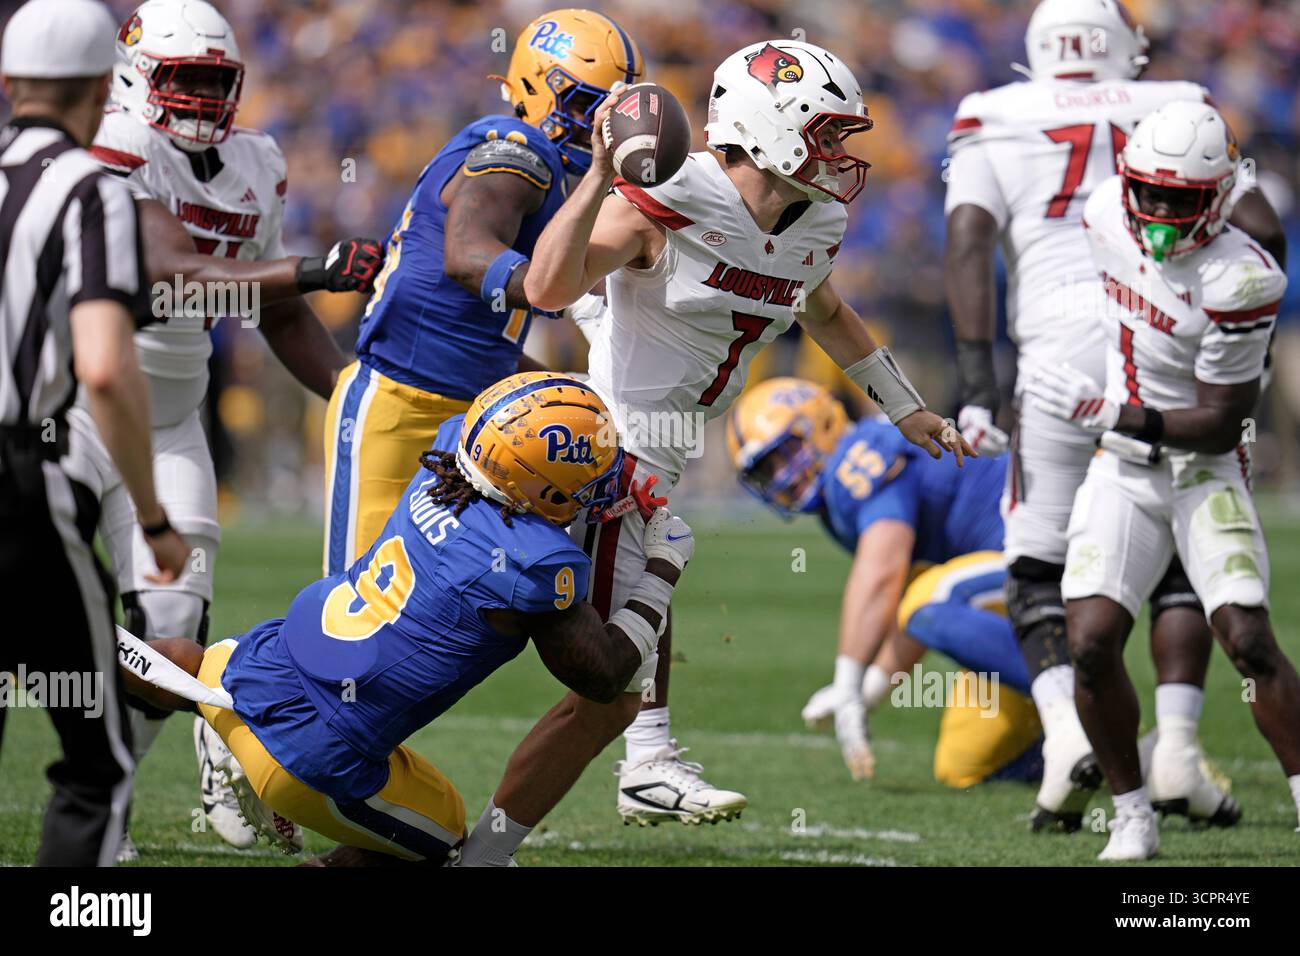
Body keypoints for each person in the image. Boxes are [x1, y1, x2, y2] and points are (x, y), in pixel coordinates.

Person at [456, 38, 970, 856]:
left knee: (612, 640)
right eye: (828, 133)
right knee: (598, 670)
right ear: (768, 129)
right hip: (610, 448)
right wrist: (599, 178)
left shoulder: (818, 219)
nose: (843, 154)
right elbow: (552, 291)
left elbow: (825, 311)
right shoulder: (674, 190)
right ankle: (574, 801)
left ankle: (624, 773)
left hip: (660, 448)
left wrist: (903, 408)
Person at [943, 0, 1281, 829]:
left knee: (1036, 566)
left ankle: (1067, 738)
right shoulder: (1178, 100)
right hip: (1167, 338)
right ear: (1123, 47)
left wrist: (978, 383)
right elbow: (1265, 223)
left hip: (1058, 357)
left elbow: (965, 240)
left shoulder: (993, 112)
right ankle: (1176, 749)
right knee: (1173, 554)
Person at [133, 372, 696, 865]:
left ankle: (88, 663)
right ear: (536, 486)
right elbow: (604, 675)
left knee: (187, 661)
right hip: (313, 761)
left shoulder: (452, 451)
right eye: (584, 478)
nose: (596, 487)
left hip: (260, 664)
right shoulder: (532, 565)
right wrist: (661, 570)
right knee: (445, 849)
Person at [68, 0, 384, 856]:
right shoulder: (114, 146)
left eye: (217, 80)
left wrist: (356, 395)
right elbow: (167, 275)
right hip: (68, 407)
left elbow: (274, 313)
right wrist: (315, 268)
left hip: (170, 417)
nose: (205, 98)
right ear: (137, 78)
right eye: (186, 80)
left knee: (173, 632)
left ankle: (108, 810)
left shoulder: (256, 163)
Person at [1025, 100, 1300, 860]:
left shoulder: (1243, 278)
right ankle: (1133, 813)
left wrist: (1105, 409)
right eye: (1147, 191)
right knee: (1089, 643)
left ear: (1218, 198)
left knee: (1248, 639)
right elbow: (1156, 185)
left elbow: (1216, 421)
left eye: (1180, 199)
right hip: (1122, 471)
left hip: (1202, 467)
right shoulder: (1106, 209)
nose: (1156, 212)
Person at [323, 8, 642, 578]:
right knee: (356, 605)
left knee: (452, 609)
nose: (596, 125)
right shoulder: (519, 144)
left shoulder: (560, 180)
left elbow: (483, 334)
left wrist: (571, 392)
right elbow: (466, 255)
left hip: (474, 415)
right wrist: (548, 288)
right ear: (531, 86)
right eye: (582, 105)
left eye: (607, 112)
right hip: (402, 399)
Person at [0, 0, 187, 866]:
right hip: (19, 477)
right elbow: (106, 367)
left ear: (8, 85)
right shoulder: (88, 189)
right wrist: (152, 519)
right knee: (95, 757)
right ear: (99, 91)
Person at [729, 379, 1040, 788]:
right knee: (965, 764)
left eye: (785, 454)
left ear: (819, 423)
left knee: (929, 602)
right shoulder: (836, 507)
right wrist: (867, 693)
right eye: (767, 471)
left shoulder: (855, 459)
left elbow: (885, 573)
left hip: (1037, 544)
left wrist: (848, 680)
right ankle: (1097, 754)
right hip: (998, 579)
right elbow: (914, 596)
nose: (783, 476)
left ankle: (1080, 696)